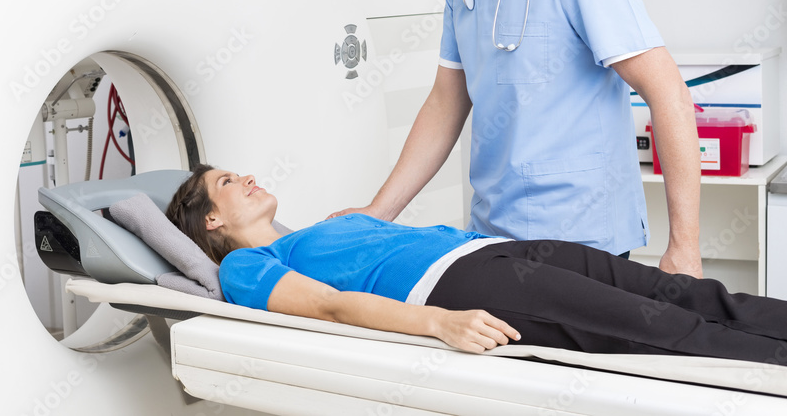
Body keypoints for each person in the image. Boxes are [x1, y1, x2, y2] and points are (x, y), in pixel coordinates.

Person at [331, 0, 703, 278]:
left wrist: (685, 247)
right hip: (492, 234)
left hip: (582, 238)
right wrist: (377, 212)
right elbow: (447, 101)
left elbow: (669, 95)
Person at [166, 164, 787, 363]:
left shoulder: (326, 226)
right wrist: (441, 322)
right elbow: (329, 307)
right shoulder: (249, 265)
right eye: (227, 181)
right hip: (464, 284)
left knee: (694, 296)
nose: (246, 177)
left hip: (499, 250)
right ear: (210, 221)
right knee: (662, 330)